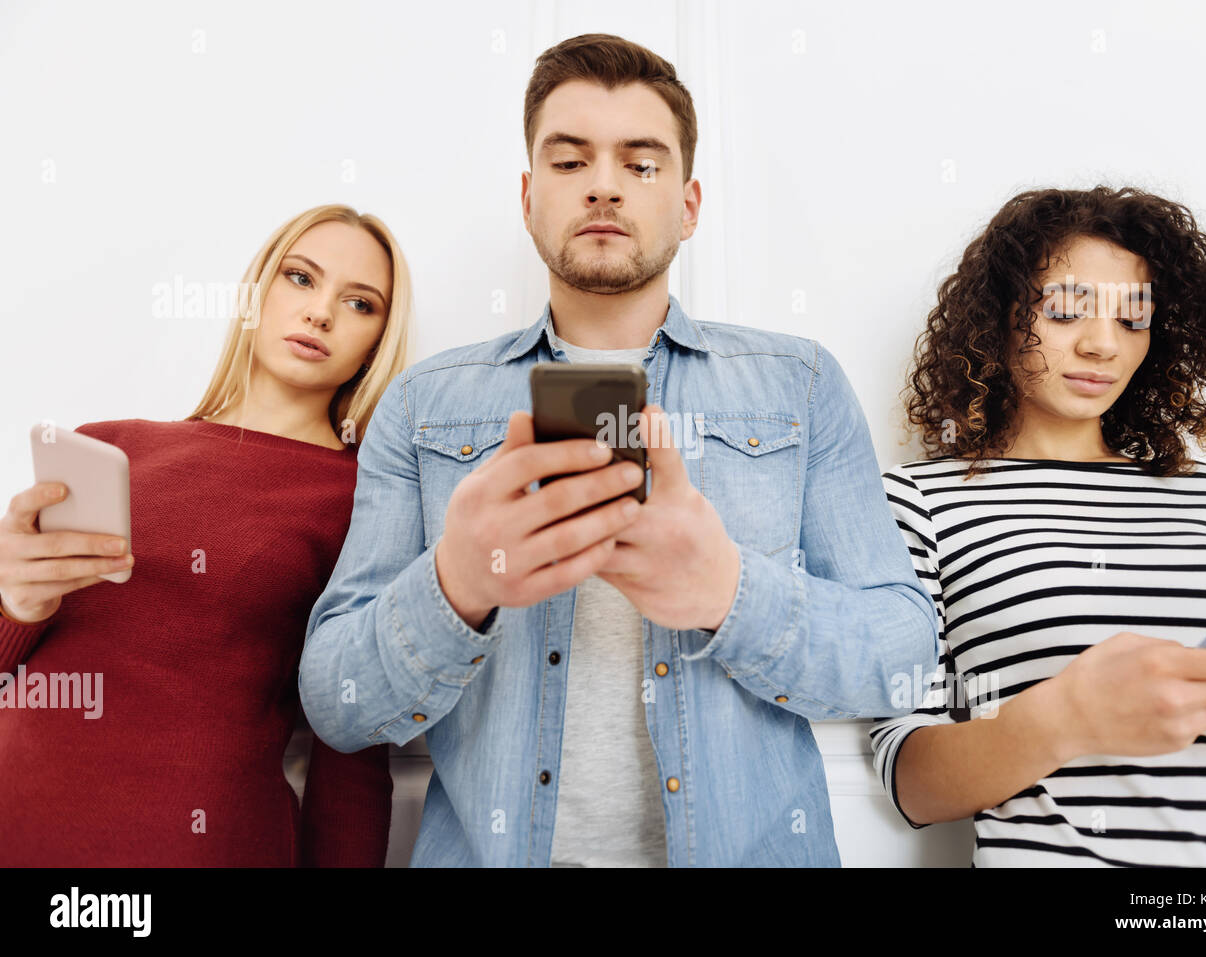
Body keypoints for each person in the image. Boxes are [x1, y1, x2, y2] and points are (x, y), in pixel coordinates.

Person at [298, 33, 938, 867]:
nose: (603, 184)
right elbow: (335, 702)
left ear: (690, 203)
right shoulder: (424, 405)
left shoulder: (801, 385)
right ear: (528, 197)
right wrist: (456, 584)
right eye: (569, 163)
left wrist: (728, 590)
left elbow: (901, 654)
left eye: (641, 164)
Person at [869, 186, 1206, 865]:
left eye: (1133, 320)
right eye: (1067, 311)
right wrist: (1065, 717)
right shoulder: (920, 500)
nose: (1103, 344)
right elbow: (911, 781)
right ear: (1000, 316)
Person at [0, 204, 409, 866]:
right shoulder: (109, 446)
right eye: (301, 279)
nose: (321, 312)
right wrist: (14, 601)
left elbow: (351, 750)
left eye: (360, 302)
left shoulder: (365, 499)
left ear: (379, 338)